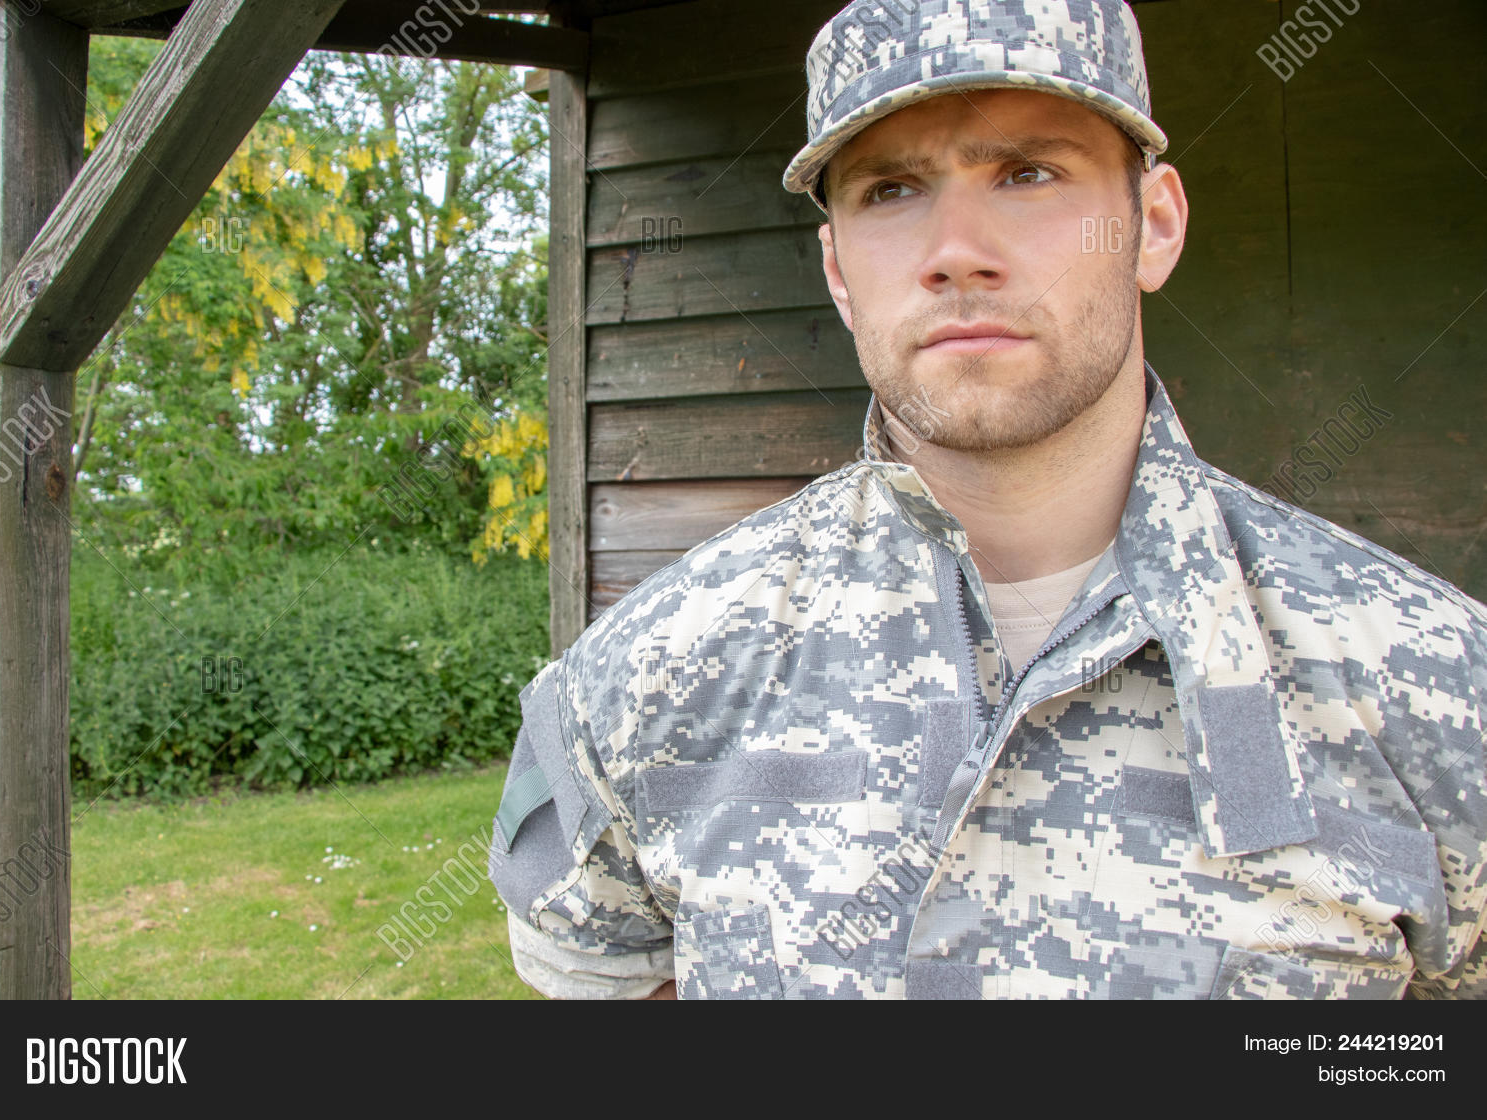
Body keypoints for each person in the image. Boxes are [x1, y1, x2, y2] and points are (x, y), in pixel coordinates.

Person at [487, 0, 1487, 999]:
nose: (956, 249)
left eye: (1030, 173)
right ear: (838, 271)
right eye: (890, 190)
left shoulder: (1438, 686)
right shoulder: (642, 680)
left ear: (1155, 225)